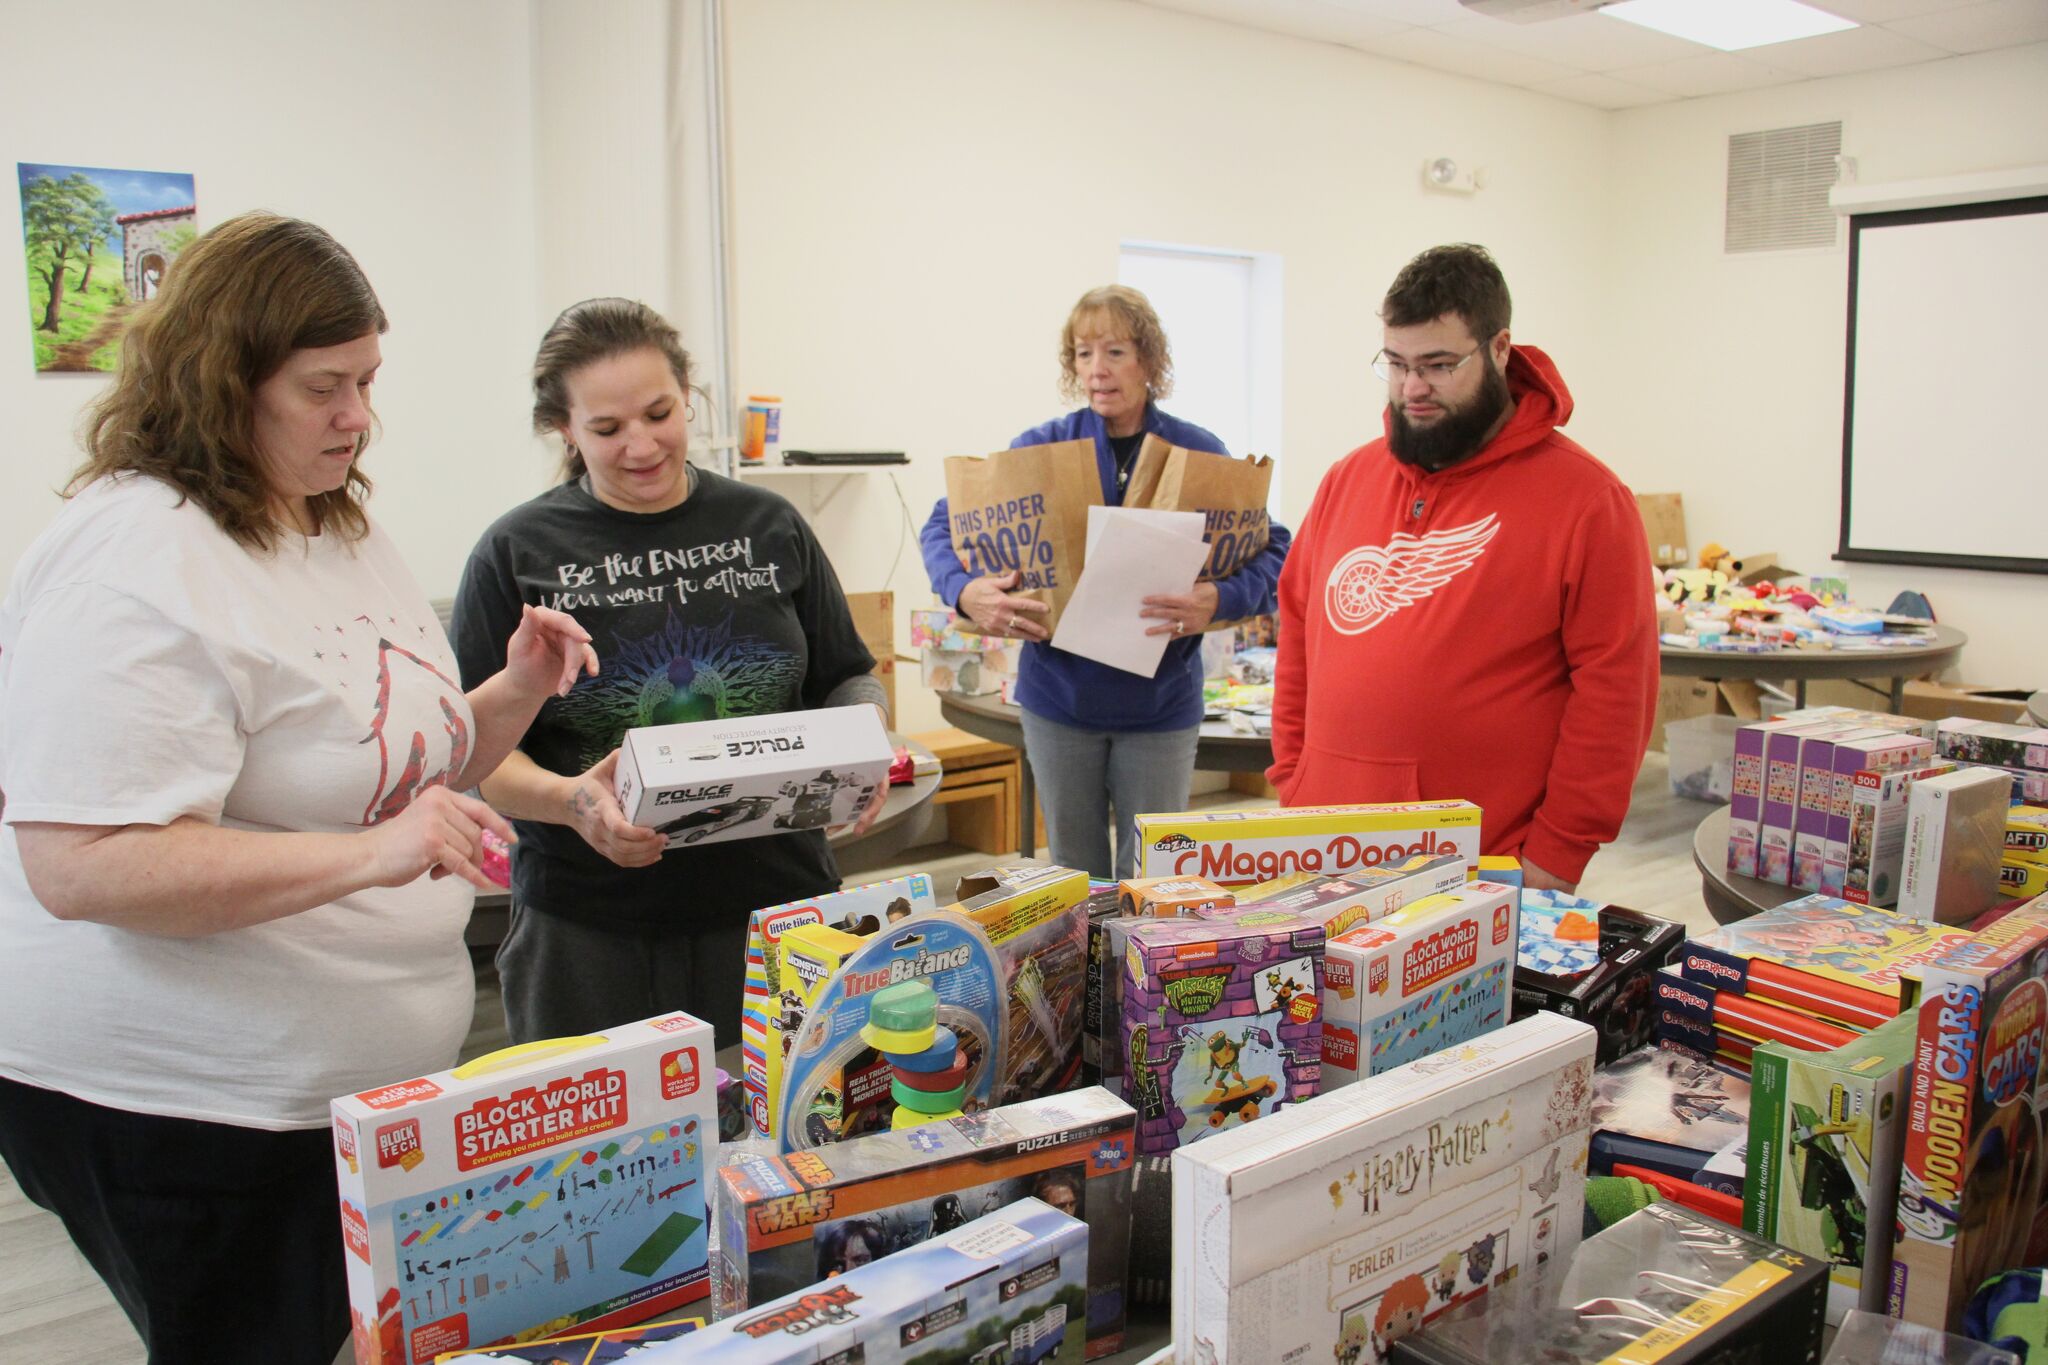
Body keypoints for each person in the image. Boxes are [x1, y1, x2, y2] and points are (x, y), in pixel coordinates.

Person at [0, 212, 597, 1364]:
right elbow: (80, 866)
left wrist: (514, 688)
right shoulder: (135, 562)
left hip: (333, 1091)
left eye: (369, 380)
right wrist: (379, 857)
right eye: (326, 386)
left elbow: (386, 770)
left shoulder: (325, 516)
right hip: (180, 1105)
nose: (359, 417)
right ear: (223, 386)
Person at [451, 298, 886, 1051]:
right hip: (591, 931)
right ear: (565, 428)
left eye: (660, 412)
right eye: (608, 429)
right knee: (613, 1157)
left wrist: (867, 735)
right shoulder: (515, 553)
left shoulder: (770, 524)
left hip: (779, 911)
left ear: (689, 393)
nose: (643, 445)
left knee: (793, 1146)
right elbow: (479, 757)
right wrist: (573, 800)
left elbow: (848, 674)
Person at [1268, 244, 1656, 892]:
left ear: (1499, 350)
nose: (1411, 388)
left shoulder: (1589, 501)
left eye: (1438, 365)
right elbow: (1300, 627)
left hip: (1484, 872)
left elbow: (1617, 693)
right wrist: (1293, 776)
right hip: (1323, 851)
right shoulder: (1348, 478)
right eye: (1395, 364)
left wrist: (1554, 858)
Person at [919, 285, 1290, 879]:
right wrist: (964, 591)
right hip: (1058, 705)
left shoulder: (1197, 452)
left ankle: (1141, 975)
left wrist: (1220, 598)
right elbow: (944, 522)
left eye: (1114, 352)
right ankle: (1088, 977)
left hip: (1161, 707)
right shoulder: (1043, 447)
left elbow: (1275, 547)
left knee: (1152, 877)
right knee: (1074, 874)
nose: (1097, 370)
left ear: (1149, 359)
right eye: (1083, 354)